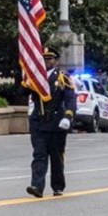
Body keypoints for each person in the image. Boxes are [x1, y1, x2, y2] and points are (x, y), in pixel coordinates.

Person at [26, 46, 76, 198]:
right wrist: (25, 81)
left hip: (56, 122)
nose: (47, 61)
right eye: (44, 59)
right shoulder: (35, 78)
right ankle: (37, 186)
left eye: (50, 59)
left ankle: (58, 186)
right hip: (38, 121)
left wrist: (67, 116)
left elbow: (70, 99)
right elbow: (22, 92)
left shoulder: (62, 77)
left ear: (55, 60)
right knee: (39, 155)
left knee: (56, 157)